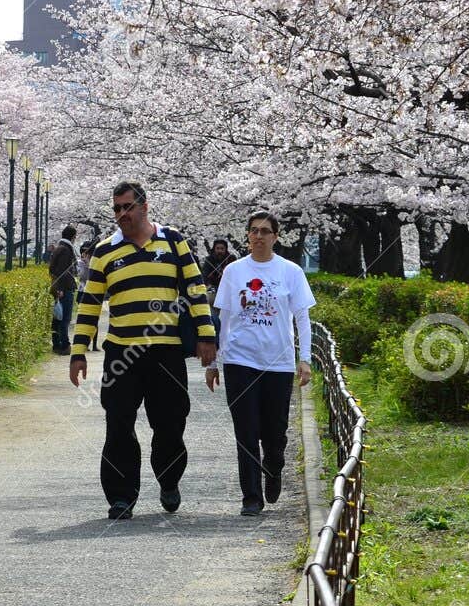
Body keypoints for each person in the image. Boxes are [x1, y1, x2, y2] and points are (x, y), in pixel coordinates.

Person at [69, 182, 216, 520]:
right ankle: (122, 497)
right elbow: (90, 304)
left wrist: (207, 336)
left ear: (144, 206)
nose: (122, 214)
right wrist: (78, 352)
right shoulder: (106, 251)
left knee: (170, 422)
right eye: (117, 209)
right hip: (122, 354)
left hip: (166, 352)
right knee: (118, 424)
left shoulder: (174, 241)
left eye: (127, 207)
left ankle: (169, 478)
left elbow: (194, 291)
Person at [206, 211, 315, 516]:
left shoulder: (290, 271)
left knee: (275, 433)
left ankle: (274, 466)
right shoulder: (234, 271)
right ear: (247, 236)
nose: (259, 236)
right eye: (254, 231)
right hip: (240, 360)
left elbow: (302, 318)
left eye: (266, 231)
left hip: (278, 364)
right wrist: (215, 360)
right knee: (246, 430)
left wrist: (303, 359)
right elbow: (223, 319)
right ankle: (251, 496)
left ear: (275, 237)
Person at [48, 223, 81, 355]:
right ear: (73, 236)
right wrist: (61, 289)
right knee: (64, 318)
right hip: (64, 289)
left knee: (58, 317)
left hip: (59, 287)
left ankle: (57, 344)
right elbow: (62, 271)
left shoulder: (59, 248)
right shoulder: (66, 250)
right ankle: (64, 344)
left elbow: (53, 270)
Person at [203, 238, 236, 339]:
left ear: (226, 249)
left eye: (222, 248)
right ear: (214, 249)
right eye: (218, 248)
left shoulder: (231, 259)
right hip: (213, 289)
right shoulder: (209, 260)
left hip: (228, 290)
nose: (220, 251)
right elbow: (204, 275)